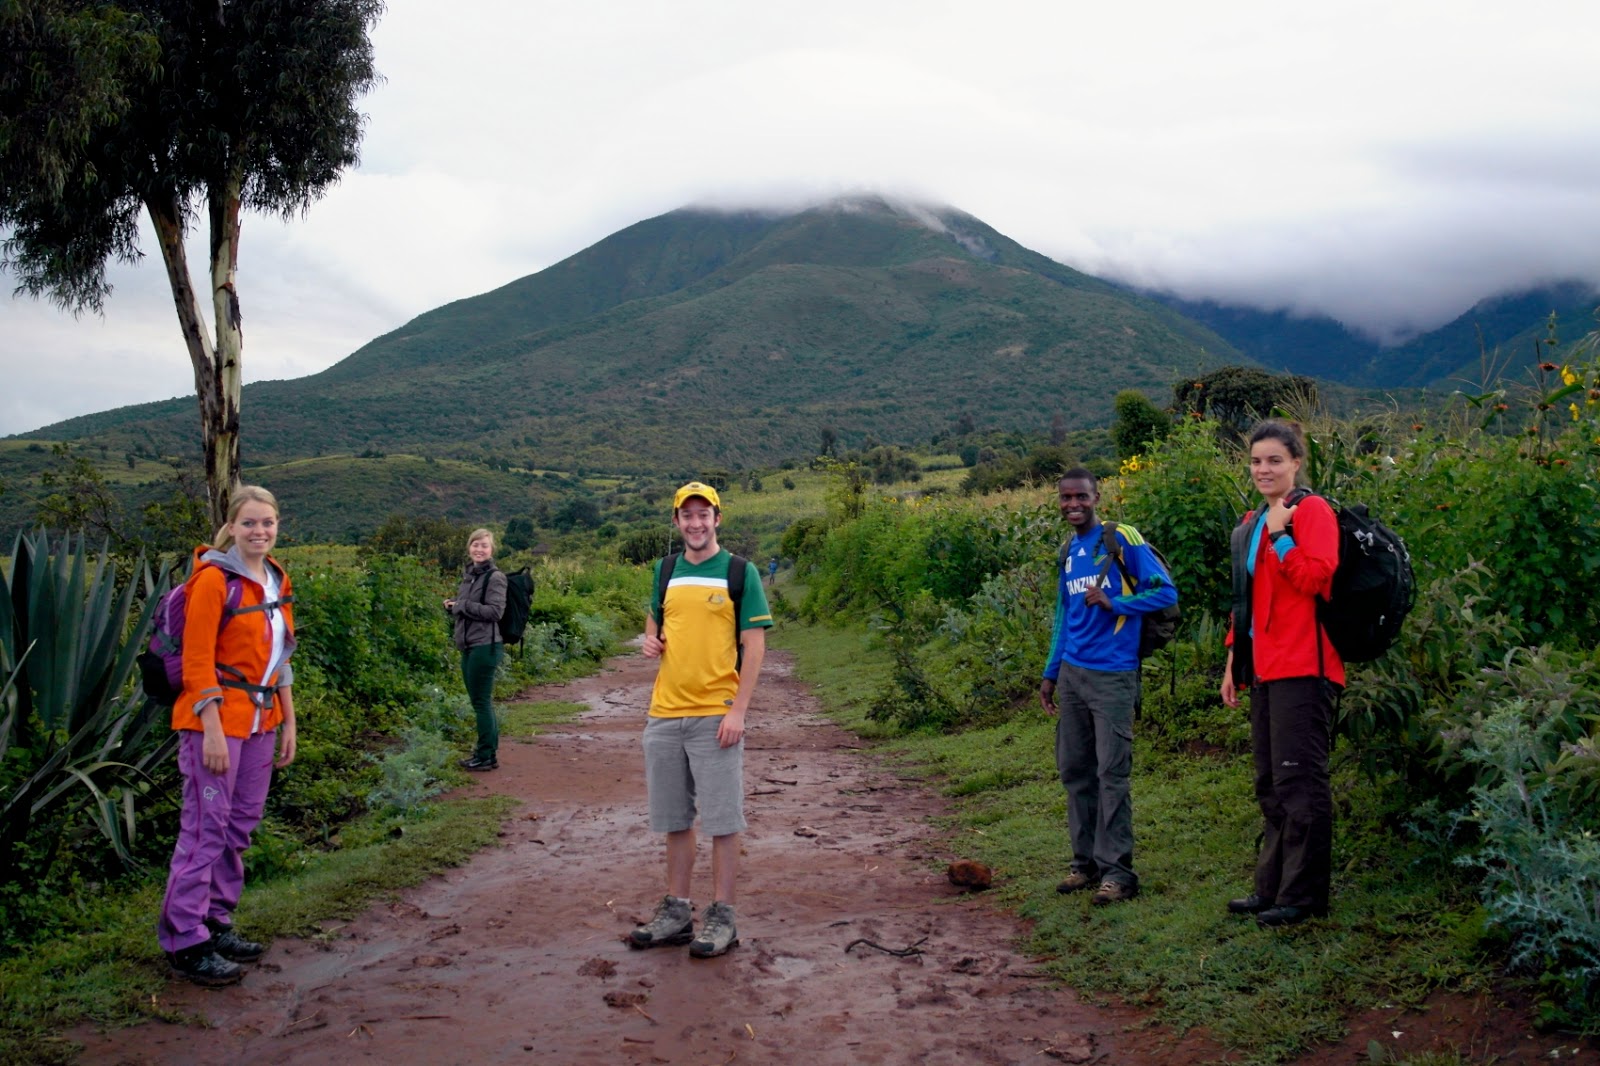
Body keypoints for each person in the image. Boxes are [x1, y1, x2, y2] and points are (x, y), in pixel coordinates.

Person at [157, 485, 298, 986]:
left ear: (278, 525)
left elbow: (281, 656)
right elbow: (196, 660)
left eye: (268, 522)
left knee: (239, 825)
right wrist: (211, 730)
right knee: (205, 828)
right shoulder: (213, 581)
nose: (260, 531)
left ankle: (216, 921)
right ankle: (184, 939)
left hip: (261, 721)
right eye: (250, 523)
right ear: (232, 526)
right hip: (213, 724)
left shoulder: (276, 577)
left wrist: (288, 720)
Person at [630, 482, 772, 958]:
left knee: (723, 820)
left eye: (703, 515)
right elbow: (656, 619)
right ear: (676, 522)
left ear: (717, 519)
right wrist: (652, 639)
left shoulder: (739, 572)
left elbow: (754, 645)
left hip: (716, 715)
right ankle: (677, 911)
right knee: (675, 819)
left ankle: (723, 916)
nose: (695, 523)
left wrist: (738, 711)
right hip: (665, 714)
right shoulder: (665, 569)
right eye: (686, 516)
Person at [1221, 420, 1342, 928]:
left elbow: (1318, 577)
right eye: (1255, 461)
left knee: (1300, 784)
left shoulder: (1310, 511)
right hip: (1266, 669)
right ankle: (1270, 890)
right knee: (1270, 785)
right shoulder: (1252, 521)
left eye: (1274, 460)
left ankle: (1304, 897)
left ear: (1296, 462)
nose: (1263, 469)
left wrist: (1283, 539)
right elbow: (1244, 605)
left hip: (1305, 668)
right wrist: (1233, 665)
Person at [1039, 469, 1177, 907]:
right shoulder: (1067, 551)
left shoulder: (1121, 538)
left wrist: (1116, 603)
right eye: (1065, 497)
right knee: (1075, 773)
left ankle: (1119, 873)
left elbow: (1165, 593)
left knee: (1111, 774)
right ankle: (1085, 865)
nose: (1072, 503)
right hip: (1074, 677)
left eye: (1081, 495)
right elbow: (1064, 618)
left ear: (1097, 497)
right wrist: (1051, 672)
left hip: (1114, 676)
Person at [446, 528, 507, 772]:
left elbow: (495, 612)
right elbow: (469, 608)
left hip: (485, 646)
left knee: (481, 702)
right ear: (469, 547)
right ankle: (486, 753)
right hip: (469, 645)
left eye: (484, 545)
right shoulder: (469, 576)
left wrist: (461, 606)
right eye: (475, 545)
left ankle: (485, 755)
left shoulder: (495, 577)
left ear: (491, 550)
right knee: (479, 701)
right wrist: (453, 606)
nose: (479, 549)